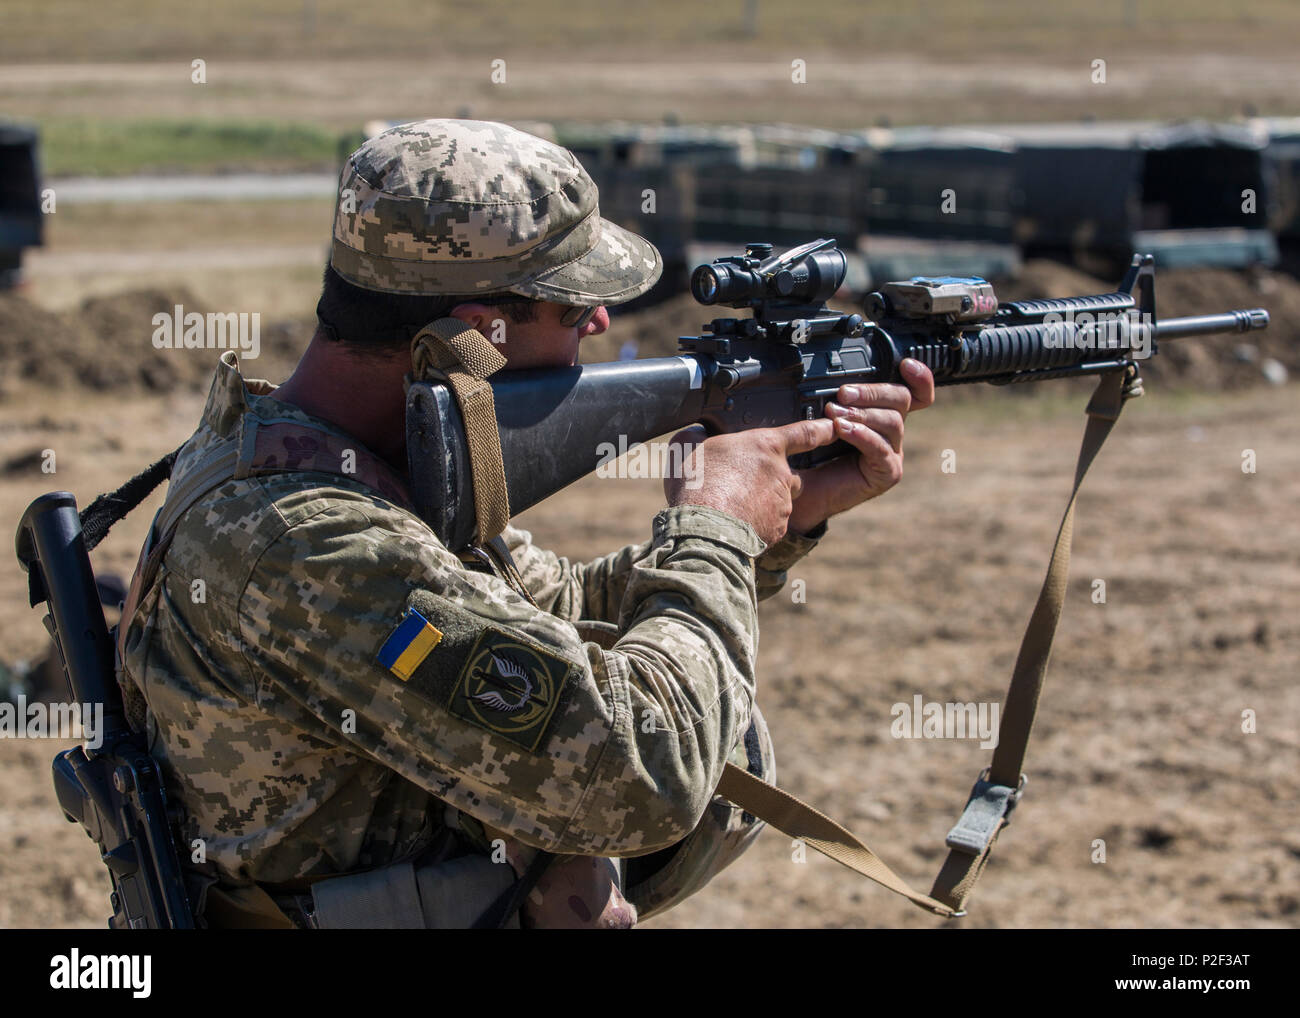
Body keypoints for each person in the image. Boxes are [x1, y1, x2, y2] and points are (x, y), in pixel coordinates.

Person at [117, 119, 934, 928]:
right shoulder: (311, 542)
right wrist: (712, 529)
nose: (603, 325)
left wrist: (769, 525)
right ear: (479, 336)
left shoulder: (340, 458)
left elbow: (557, 609)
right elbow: (641, 772)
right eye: (574, 307)